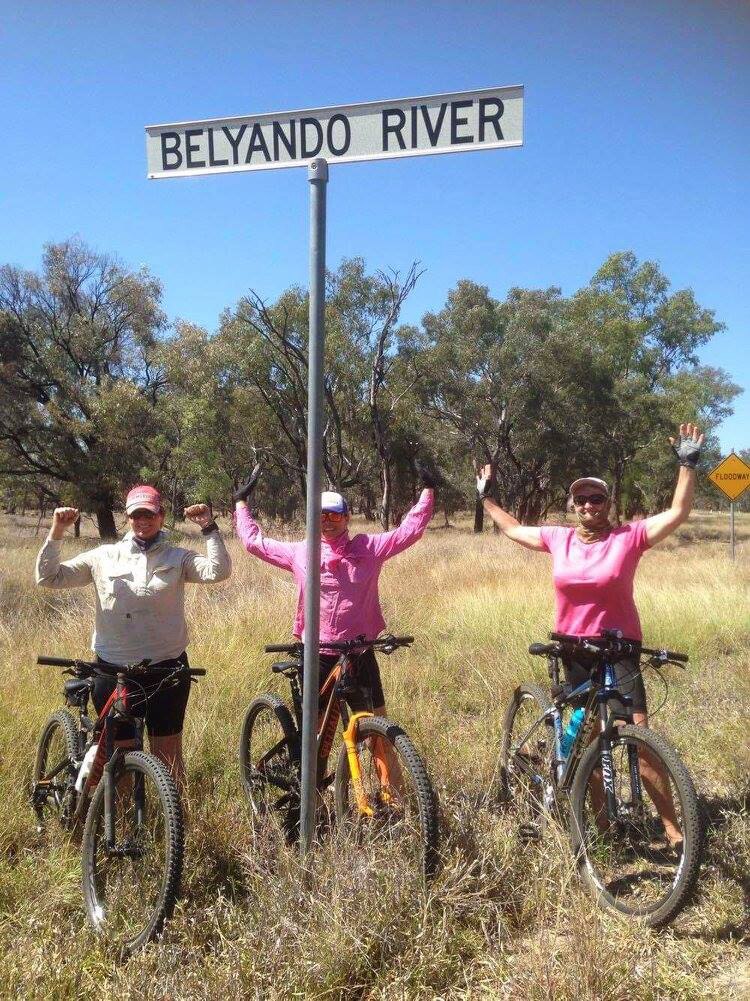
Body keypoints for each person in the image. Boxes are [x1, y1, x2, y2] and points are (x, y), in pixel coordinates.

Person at [477, 423, 704, 849]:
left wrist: (687, 466)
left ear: (607, 503)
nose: (587, 505)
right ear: (572, 504)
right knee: (589, 740)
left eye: (596, 498)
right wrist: (486, 496)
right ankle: (603, 830)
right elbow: (511, 529)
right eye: (580, 499)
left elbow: (677, 514)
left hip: (619, 648)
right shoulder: (558, 539)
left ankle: (673, 830)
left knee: (640, 737)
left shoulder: (629, 537)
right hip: (573, 647)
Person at [35, 485, 232, 789]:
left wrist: (209, 526)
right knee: (120, 759)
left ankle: (174, 823)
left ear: (161, 515)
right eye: (136, 515)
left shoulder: (178, 557)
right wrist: (57, 530)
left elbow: (217, 571)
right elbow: (49, 577)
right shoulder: (103, 556)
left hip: (166, 670)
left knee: (169, 757)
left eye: (149, 514)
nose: (143, 520)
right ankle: (125, 829)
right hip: (114, 672)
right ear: (127, 517)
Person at [233, 464, 436, 730]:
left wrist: (428, 492)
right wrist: (240, 503)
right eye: (320, 515)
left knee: (378, 728)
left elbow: (407, 532)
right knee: (315, 734)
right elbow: (254, 543)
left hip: (360, 651)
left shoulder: (369, 549)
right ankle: (311, 771)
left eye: (334, 515)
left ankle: (389, 773)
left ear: (347, 517)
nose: (327, 520)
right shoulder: (300, 552)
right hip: (317, 654)